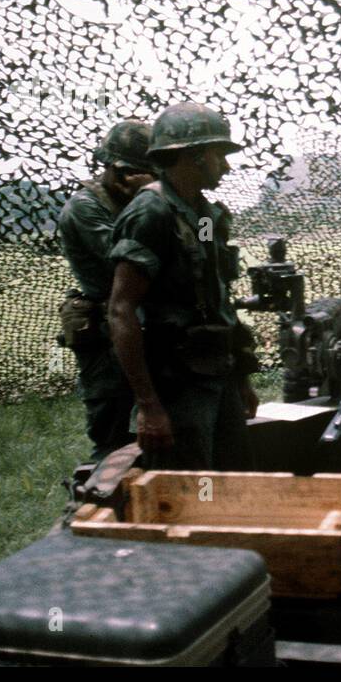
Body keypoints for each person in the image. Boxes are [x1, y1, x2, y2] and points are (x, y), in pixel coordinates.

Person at [107, 102, 261, 470]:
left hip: (216, 376)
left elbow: (216, 296)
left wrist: (240, 377)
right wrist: (149, 407)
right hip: (177, 386)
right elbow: (120, 309)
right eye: (218, 155)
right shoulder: (151, 213)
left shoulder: (204, 215)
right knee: (188, 489)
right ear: (192, 157)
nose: (225, 165)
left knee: (232, 478)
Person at [57, 120, 155, 463]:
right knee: (110, 434)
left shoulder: (145, 201)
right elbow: (129, 256)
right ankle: (97, 503)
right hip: (106, 329)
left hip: (144, 322)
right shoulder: (84, 207)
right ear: (112, 168)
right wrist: (151, 198)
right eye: (131, 172)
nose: (136, 181)